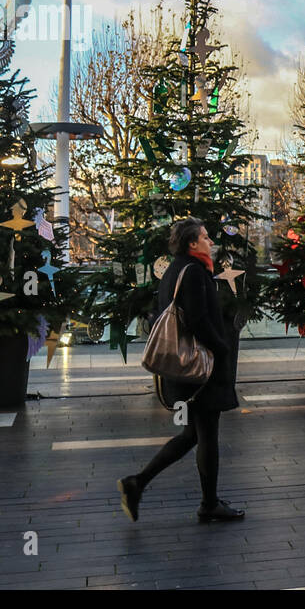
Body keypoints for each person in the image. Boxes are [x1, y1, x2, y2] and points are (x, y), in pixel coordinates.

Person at [118, 218, 245, 523]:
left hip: (184, 368)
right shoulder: (193, 273)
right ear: (192, 243)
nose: (210, 242)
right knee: (207, 435)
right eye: (205, 237)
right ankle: (209, 503)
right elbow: (198, 320)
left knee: (192, 434)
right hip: (199, 367)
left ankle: (138, 483)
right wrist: (221, 347)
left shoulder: (178, 270)